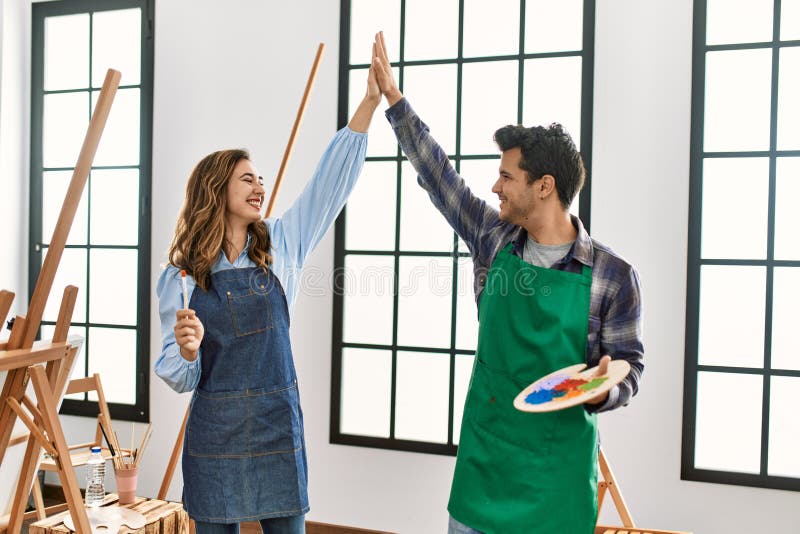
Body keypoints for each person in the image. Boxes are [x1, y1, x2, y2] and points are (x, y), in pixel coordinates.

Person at [372, 32, 644, 534]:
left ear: (544, 186)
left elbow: (630, 366)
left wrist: (603, 388)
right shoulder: (493, 238)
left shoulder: (612, 275)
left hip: (555, 480)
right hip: (486, 463)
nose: (494, 186)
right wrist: (394, 99)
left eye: (506, 176)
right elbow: (439, 176)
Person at [154, 49, 381, 534]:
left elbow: (328, 186)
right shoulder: (180, 276)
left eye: (260, 178)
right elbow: (176, 373)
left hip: (277, 425)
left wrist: (368, 103)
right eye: (246, 179)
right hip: (215, 436)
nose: (259, 185)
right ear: (216, 191)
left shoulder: (281, 242)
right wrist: (189, 352)